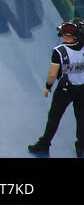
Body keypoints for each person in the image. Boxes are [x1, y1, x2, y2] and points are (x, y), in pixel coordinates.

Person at [28, 20, 84, 156]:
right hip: (82, 89)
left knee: (54, 116)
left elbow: (53, 74)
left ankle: (44, 144)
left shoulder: (59, 51)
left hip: (65, 90)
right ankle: (81, 145)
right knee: (81, 117)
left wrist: (48, 87)